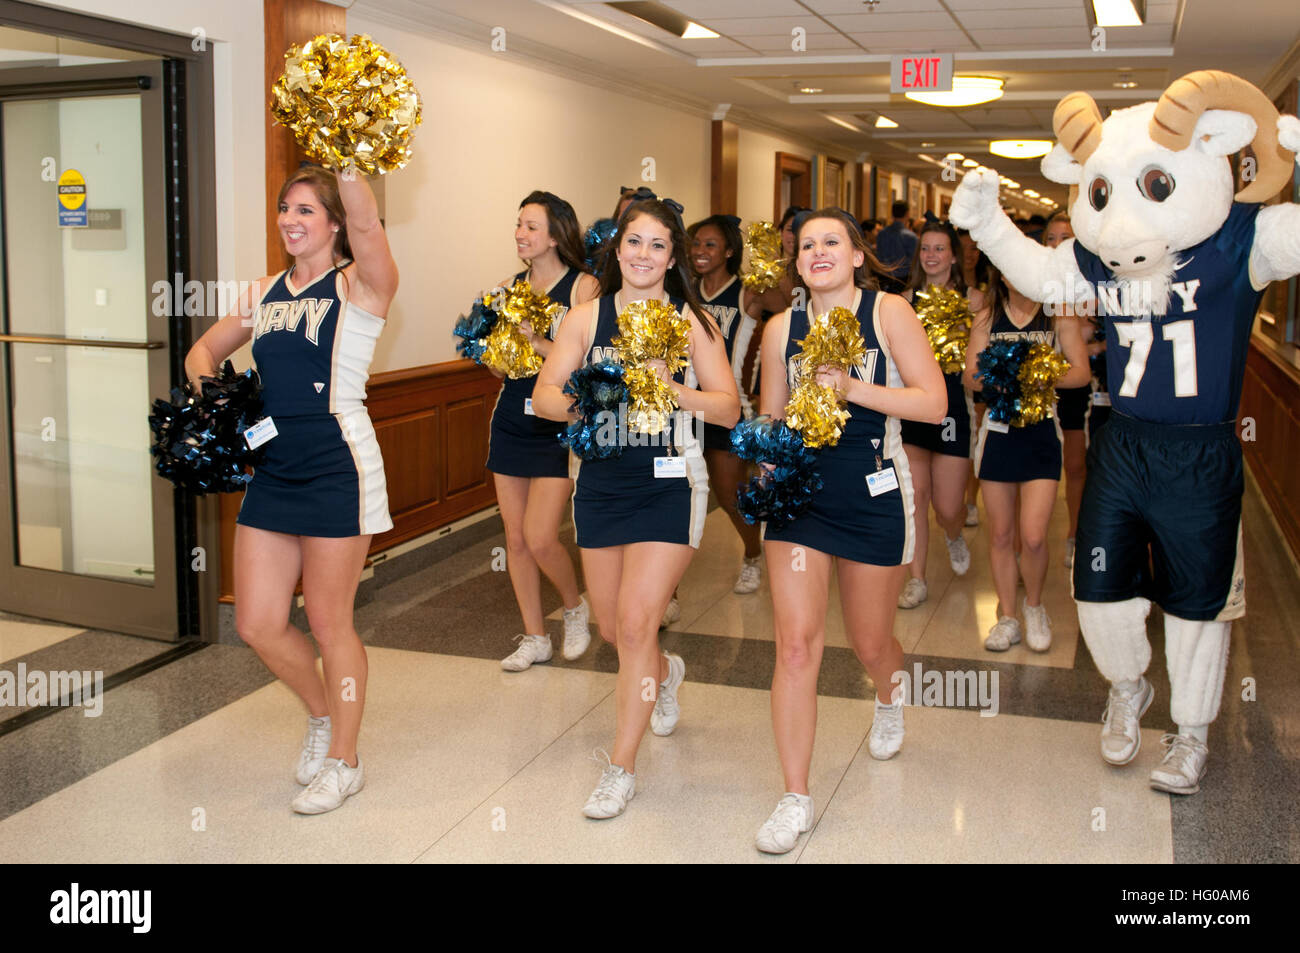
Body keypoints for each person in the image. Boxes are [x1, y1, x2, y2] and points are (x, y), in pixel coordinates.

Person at [185, 164, 398, 814]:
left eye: (306, 209)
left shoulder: (361, 283)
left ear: (334, 223)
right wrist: (222, 405)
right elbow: (202, 352)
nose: (290, 220)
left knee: (332, 623)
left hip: (339, 466)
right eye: (285, 208)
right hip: (274, 469)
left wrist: (351, 157)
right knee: (256, 621)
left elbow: (367, 222)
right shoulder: (265, 290)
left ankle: (346, 759)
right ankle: (319, 714)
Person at [532, 198, 740, 819]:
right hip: (599, 485)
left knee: (634, 626)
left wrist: (668, 387)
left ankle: (621, 766)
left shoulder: (691, 320)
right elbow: (544, 397)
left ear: (671, 257)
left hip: (670, 484)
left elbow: (728, 407)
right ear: (617, 248)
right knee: (611, 628)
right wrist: (597, 401)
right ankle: (666, 672)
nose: (643, 254)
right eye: (634, 242)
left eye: (657, 245)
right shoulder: (585, 319)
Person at [753, 208, 946, 854]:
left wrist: (855, 389)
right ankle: (793, 795)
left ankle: (890, 694)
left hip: (872, 493)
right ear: (797, 260)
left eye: (832, 240)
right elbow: (770, 416)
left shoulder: (888, 314)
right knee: (797, 646)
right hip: (800, 502)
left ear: (859, 254)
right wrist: (767, 459)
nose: (818, 251)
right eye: (807, 244)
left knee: (870, 644)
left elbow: (934, 402)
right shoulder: (782, 327)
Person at [489, 192, 600, 672]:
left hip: (560, 423)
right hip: (512, 417)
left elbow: (592, 360)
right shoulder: (506, 289)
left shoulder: (583, 288)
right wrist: (496, 348)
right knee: (514, 539)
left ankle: (574, 606)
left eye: (531, 226)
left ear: (555, 235)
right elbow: (499, 369)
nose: (520, 233)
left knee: (540, 536)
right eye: (518, 224)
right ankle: (535, 635)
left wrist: (536, 340)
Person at [964, 267, 1089, 653]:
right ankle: (1008, 616)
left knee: (1033, 536)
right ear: (1002, 272)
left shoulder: (1058, 313)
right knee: (1001, 533)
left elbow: (1081, 373)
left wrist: (1036, 376)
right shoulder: (988, 315)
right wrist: (998, 379)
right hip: (999, 433)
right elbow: (971, 376)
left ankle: (1034, 607)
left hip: (1040, 434)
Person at [897, 223, 985, 608]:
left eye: (939, 249)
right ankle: (916, 579)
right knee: (915, 496)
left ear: (954, 255)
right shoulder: (902, 300)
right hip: (911, 407)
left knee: (949, 507)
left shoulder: (974, 300)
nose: (931, 255)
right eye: (926, 249)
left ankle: (952, 534)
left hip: (952, 407)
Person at [688, 214, 766, 594]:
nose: (700, 251)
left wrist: (767, 252)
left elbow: (787, 297)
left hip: (727, 411)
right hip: (684, 406)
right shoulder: (684, 292)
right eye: (696, 244)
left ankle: (753, 554)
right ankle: (666, 589)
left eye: (710, 244)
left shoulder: (746, 292)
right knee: (676, 494)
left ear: (729, 251)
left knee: (729, 494)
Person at [1040, 211, 1090, 571]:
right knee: (1032, 469)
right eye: (1051, 239)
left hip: (1080, 390)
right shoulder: (1033, 284)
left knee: (1075, 465)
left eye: (1066, 238)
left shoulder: (1095, 283)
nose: (1057, 245)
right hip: (1038, 389)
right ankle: (1027, 546)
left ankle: (1074, 533)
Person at [874, 200, 918, 293]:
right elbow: (915, 262)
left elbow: (879, 256)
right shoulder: (911, 237)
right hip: (904, 281)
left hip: (884, 278)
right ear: (907, 214)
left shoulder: (882, 234)